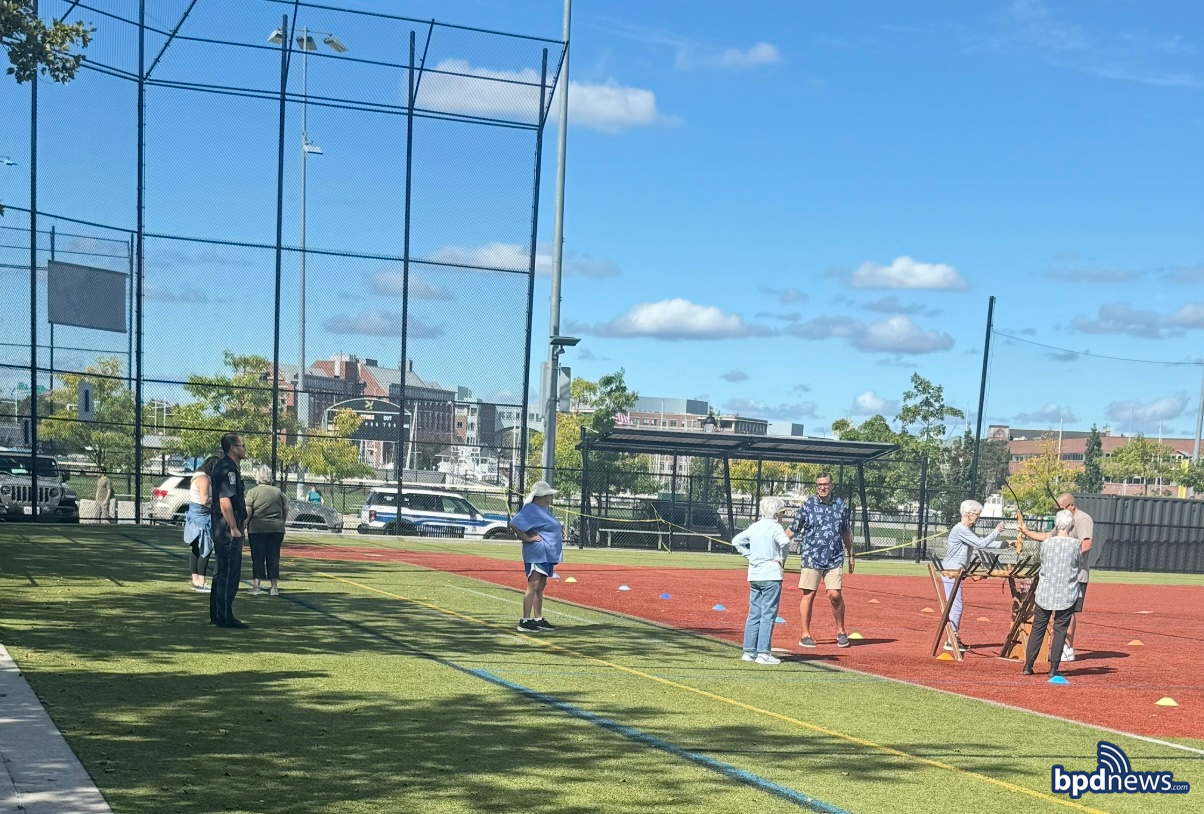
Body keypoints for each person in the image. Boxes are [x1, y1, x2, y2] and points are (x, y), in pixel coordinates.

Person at [1017, 492, 1097, 662]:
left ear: (1071, 506)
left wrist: (1068, 557)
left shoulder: (1083, 519)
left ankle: (1067, 648)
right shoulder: (1063, 521)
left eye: (1061, 509)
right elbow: (1048, 537)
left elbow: (1087, 543)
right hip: (1059, 575)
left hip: (1076, 575)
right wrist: (1026, 532)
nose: (1059, 512)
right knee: (1056, 611)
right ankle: (1055, 650)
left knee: (1069, 611)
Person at [791, 472, 854, 649]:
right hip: (811, 557)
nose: (822, 487)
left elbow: (845, 532)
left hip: (834, 557)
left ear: (831, 486)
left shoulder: (840, 506)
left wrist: (851, 554)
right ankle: (805, 634)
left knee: (834, 594)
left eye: (825, 484)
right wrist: (777, 548)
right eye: (819, 485)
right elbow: (793, 529)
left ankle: (841, 631)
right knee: (808, 594)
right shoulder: (808, 505)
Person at [1022, 509, 1082, 680]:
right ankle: (1054, 667)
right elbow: (1078, 563)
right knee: (1060, 629)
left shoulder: (1047, 543)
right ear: (1071, 525)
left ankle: (1028, 665)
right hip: (1066, 592)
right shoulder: (1075, 544)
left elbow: (1043, 560)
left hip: (1045, 591)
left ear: (1057, 524)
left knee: (1038, 628)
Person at [733, 496, 791, 665]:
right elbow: (785, 542)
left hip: (755, 575)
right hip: (771, 575)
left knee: (754, 614)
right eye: (782, 512)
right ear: (776, 513)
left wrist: (750, 556)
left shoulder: (755, 527)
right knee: (768, 614)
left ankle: (749, 651)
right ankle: (763, 653)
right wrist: (781, 558)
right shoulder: (776, 527)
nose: (783, 515)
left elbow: (736, 541)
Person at [940, 500, 1006, 651]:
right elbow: (980, 544)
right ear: (968, 514)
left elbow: (981, 542)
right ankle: (951, 638)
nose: (978, 518)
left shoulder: (965, 530)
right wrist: (996, 531)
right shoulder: (960, 529)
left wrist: (1005, 544)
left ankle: (953, 637)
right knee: (956, 606)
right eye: (977, 514)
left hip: (957, 570)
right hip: (951, 571)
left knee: (955, 605)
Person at [509, 480, 563, 633]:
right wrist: (527, 538)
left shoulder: (543, 510)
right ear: (540, 496)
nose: (550, 498)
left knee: (541, 585)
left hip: (547, 553)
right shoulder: (531, 509)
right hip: (537, 552)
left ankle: (538, 618)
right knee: (534, 583)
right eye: (547, 495)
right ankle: (525, 620)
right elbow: (514, 523)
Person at [209, 432, 249, 629]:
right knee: (229, 571)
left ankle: (218, 613)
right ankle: (225, 616)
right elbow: (225, 501)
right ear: (233, 448)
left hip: (223, 525)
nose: (245, 449)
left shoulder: (227, 467)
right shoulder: (228, 470)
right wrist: (233, 527)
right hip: (226, 527)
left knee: (222, 570)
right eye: (242, 445)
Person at [246, 480, 288, 597]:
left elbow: (248, 511)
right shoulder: (278, 492)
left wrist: (245, 523)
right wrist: (282, 522)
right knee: (273, 557)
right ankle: (274, 587)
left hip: (257, 529)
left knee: (257, 558)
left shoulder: (252, 492)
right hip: (276, 529)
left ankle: (256, 586)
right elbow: (285, 509)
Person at [184, 456, 220, 592]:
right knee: (205, 549)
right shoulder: (204, 479)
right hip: (201, 515)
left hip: (195, 513)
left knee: (196, 549)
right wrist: (218, 498)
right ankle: (201, 582)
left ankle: (196, 581)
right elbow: (204, 500)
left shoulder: (198, 477)